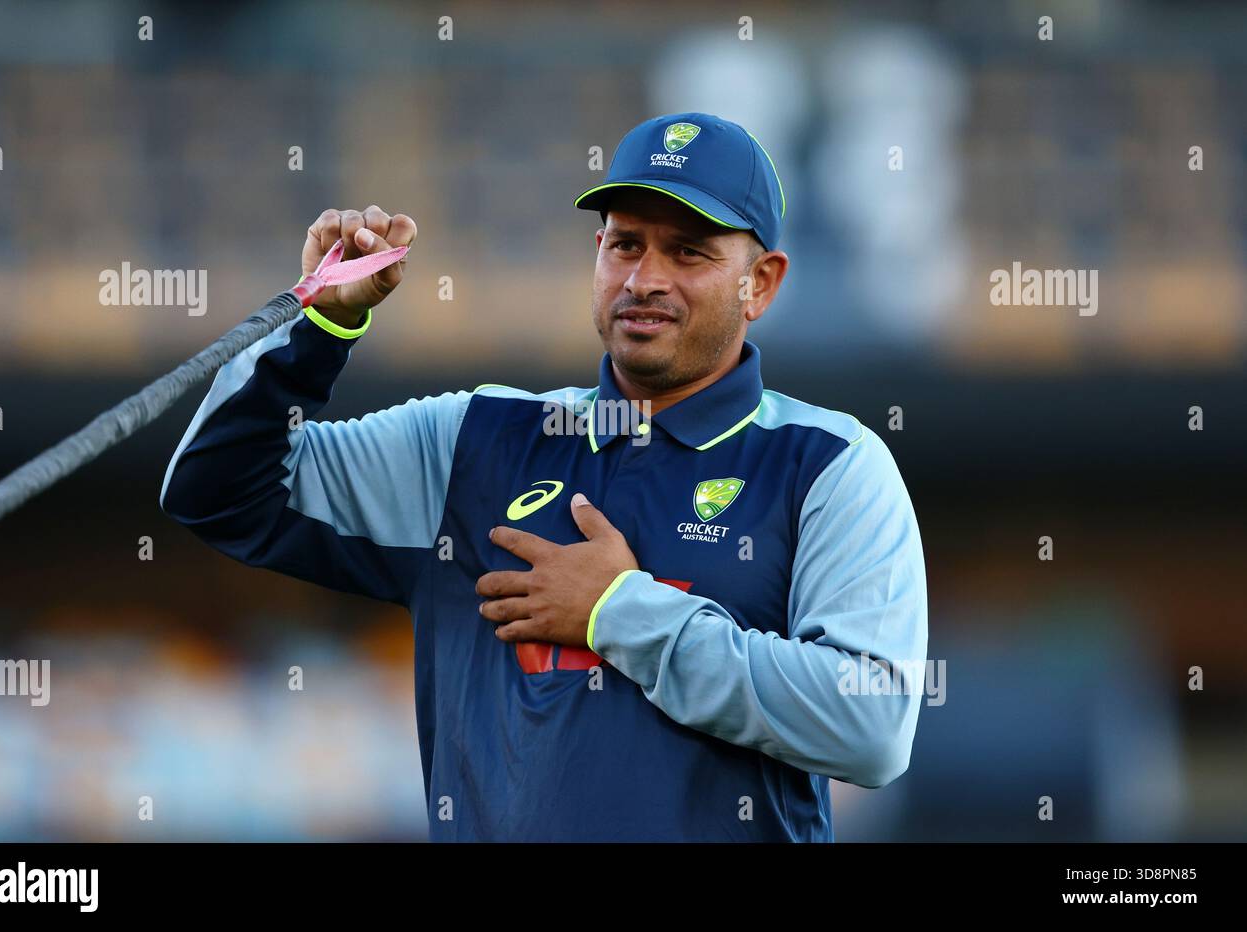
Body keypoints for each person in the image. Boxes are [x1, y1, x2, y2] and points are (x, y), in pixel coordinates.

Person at [160, 111, 928, 841]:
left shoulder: (831, 464)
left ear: (760, 281)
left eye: (688, 251)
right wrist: (318, 329)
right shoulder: (474, 438)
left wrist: (620, 612)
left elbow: (871, 726)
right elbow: (217, 488)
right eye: (624, 245)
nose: (644, 278)